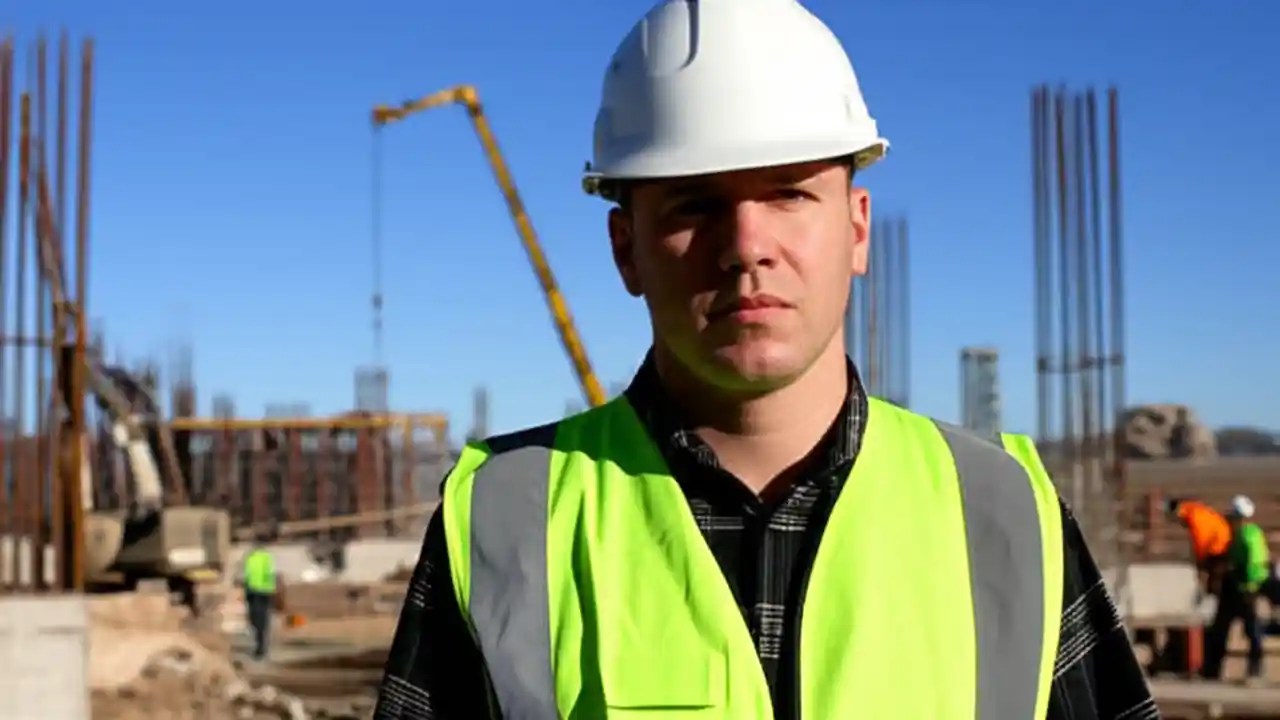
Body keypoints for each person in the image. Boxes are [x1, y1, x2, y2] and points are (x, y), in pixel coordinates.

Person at [373, 0, 1155, 717]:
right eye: (695, 203)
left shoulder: (1002, 511)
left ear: (856, 229)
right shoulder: (505, 520)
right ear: (626, 250)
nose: (747, 247)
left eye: (787, 193)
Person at [1203, 494, 1270, 682]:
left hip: (1240, 587)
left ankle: (1216, 671)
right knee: (1246, 631)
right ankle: (1251, 670)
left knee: (1232, 630)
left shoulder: (1243, 537)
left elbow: (1246, 563)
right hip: (1244, 587)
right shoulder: (1249, 535)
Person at [1167, 496, 1232, 598]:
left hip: (1218, 545)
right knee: (1210, 574)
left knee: (1210, 574)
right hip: (1219, 541)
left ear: (1176, 512)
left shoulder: (1194, 516)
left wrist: (1200, 561)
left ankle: (1212, 596)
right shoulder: (1193, 510)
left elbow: (1201, 540)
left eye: (1174, 519)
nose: (1178, 523)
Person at [241, 534, 278, 661]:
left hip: (261, 591)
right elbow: (247, 574)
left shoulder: (264, 557)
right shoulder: (250, 557)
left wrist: (271, 590)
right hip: (252, 591)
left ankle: (261, 647)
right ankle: (258, 644)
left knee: (260, 620)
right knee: (254, 619)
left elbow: (270, 574)